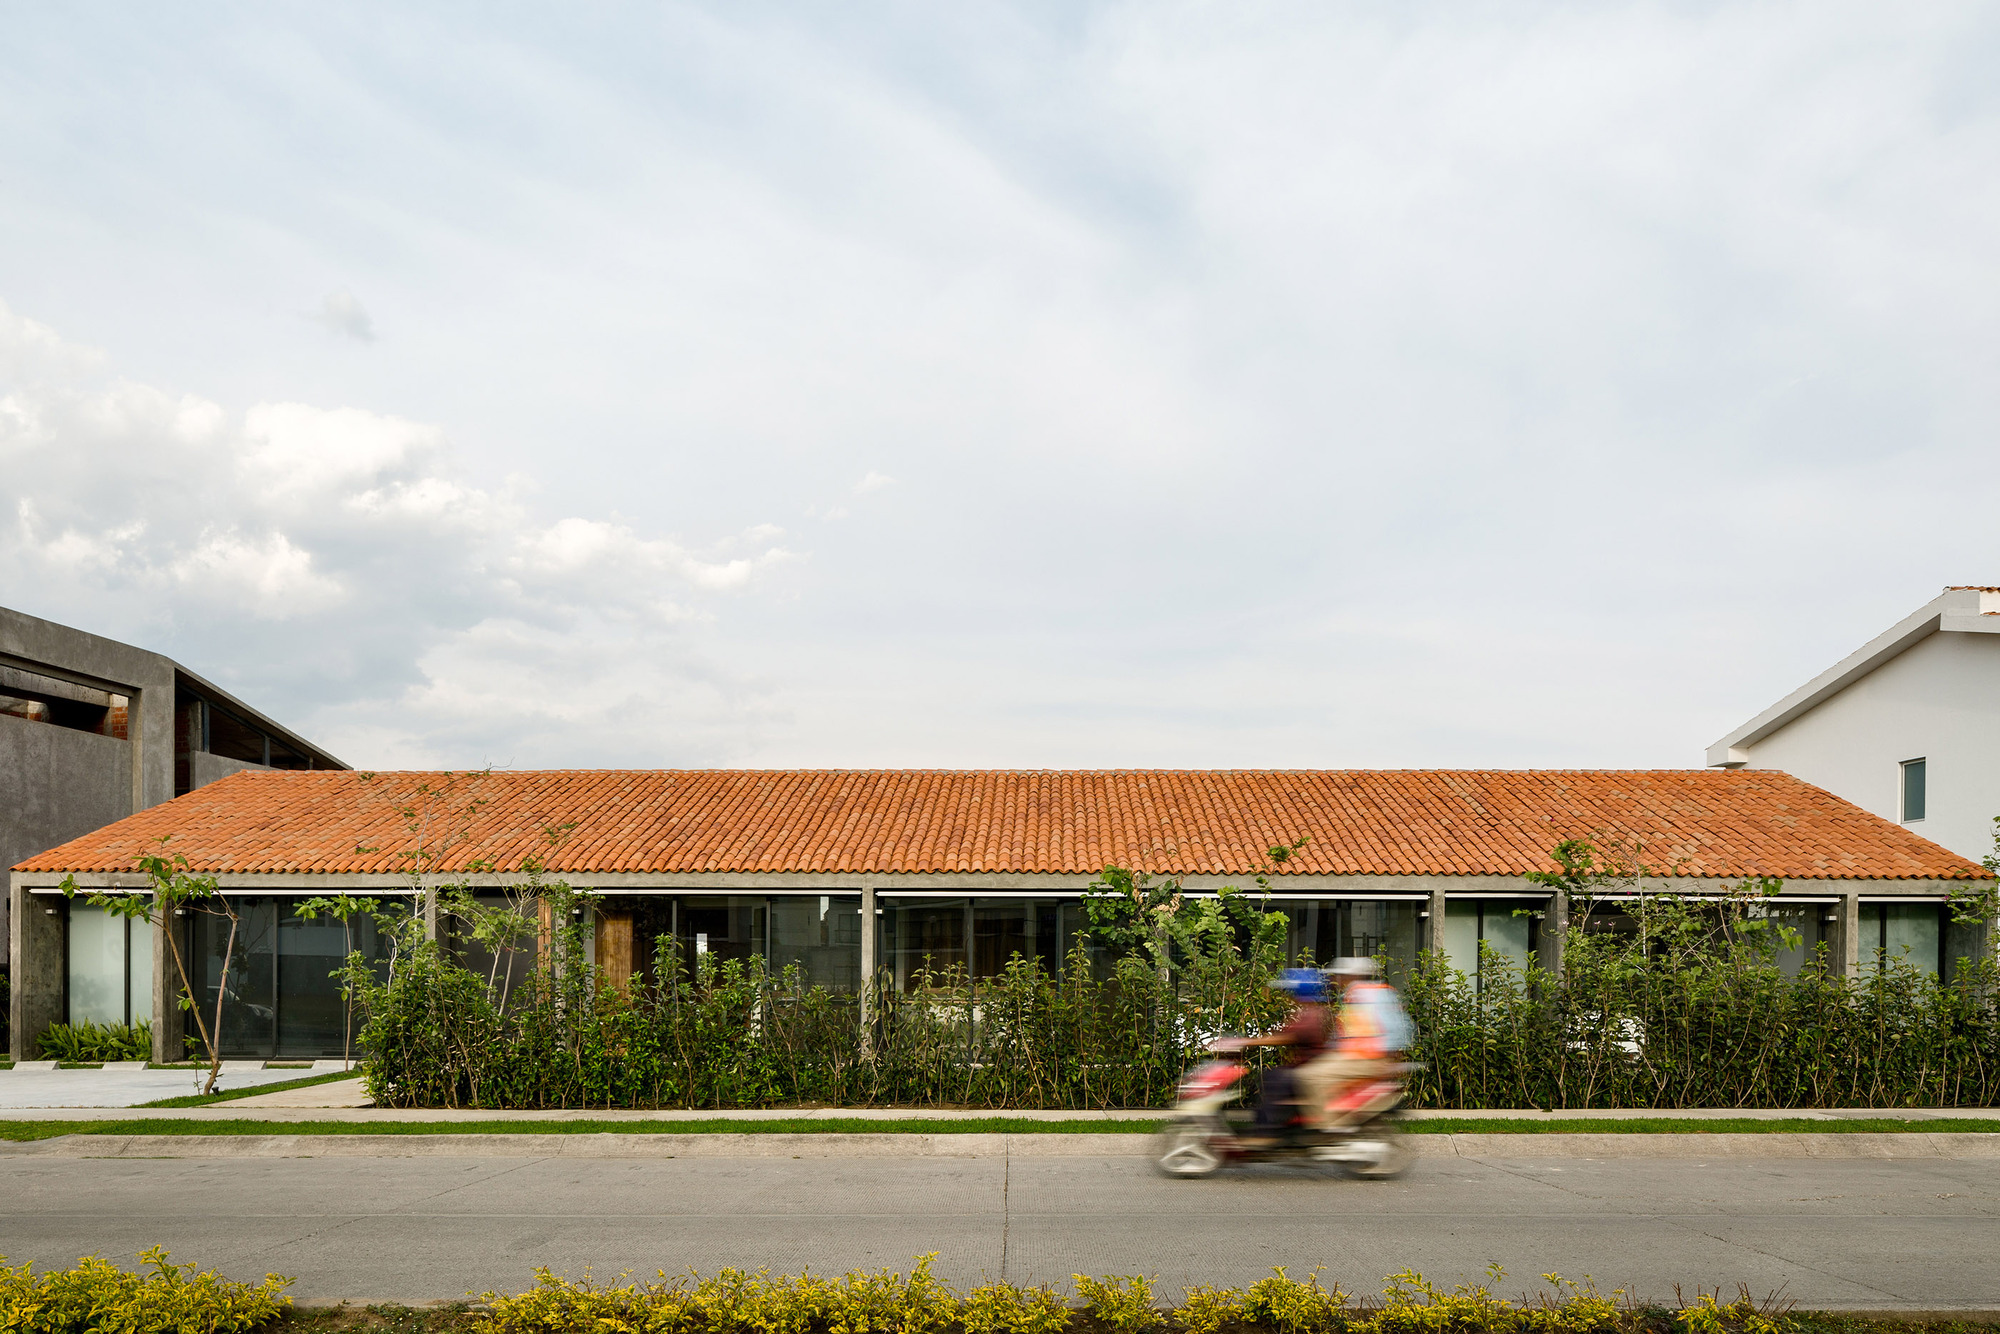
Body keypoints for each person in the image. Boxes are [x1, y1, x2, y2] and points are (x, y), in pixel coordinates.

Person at [1298, 956, 1413, 1131]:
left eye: (1340, 976)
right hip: (1358, 1057)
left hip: (1365, 1059)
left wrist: (1387, 1059)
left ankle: (1329, 1128)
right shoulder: (1362, 993)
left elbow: (1391, 1030)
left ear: (1352, 976)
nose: (1337, 979)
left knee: (1309, 1077)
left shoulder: (1364, 995)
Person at [1239, 967, 1331, 1143]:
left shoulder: (1311, 1016)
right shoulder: (1310, 1012)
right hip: (1307, 1067)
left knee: (1274, 1078)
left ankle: (1266, 1133)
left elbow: (1287, 1037)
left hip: (1308, 1070)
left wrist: (1247, 1042)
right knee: (1273, 1076)